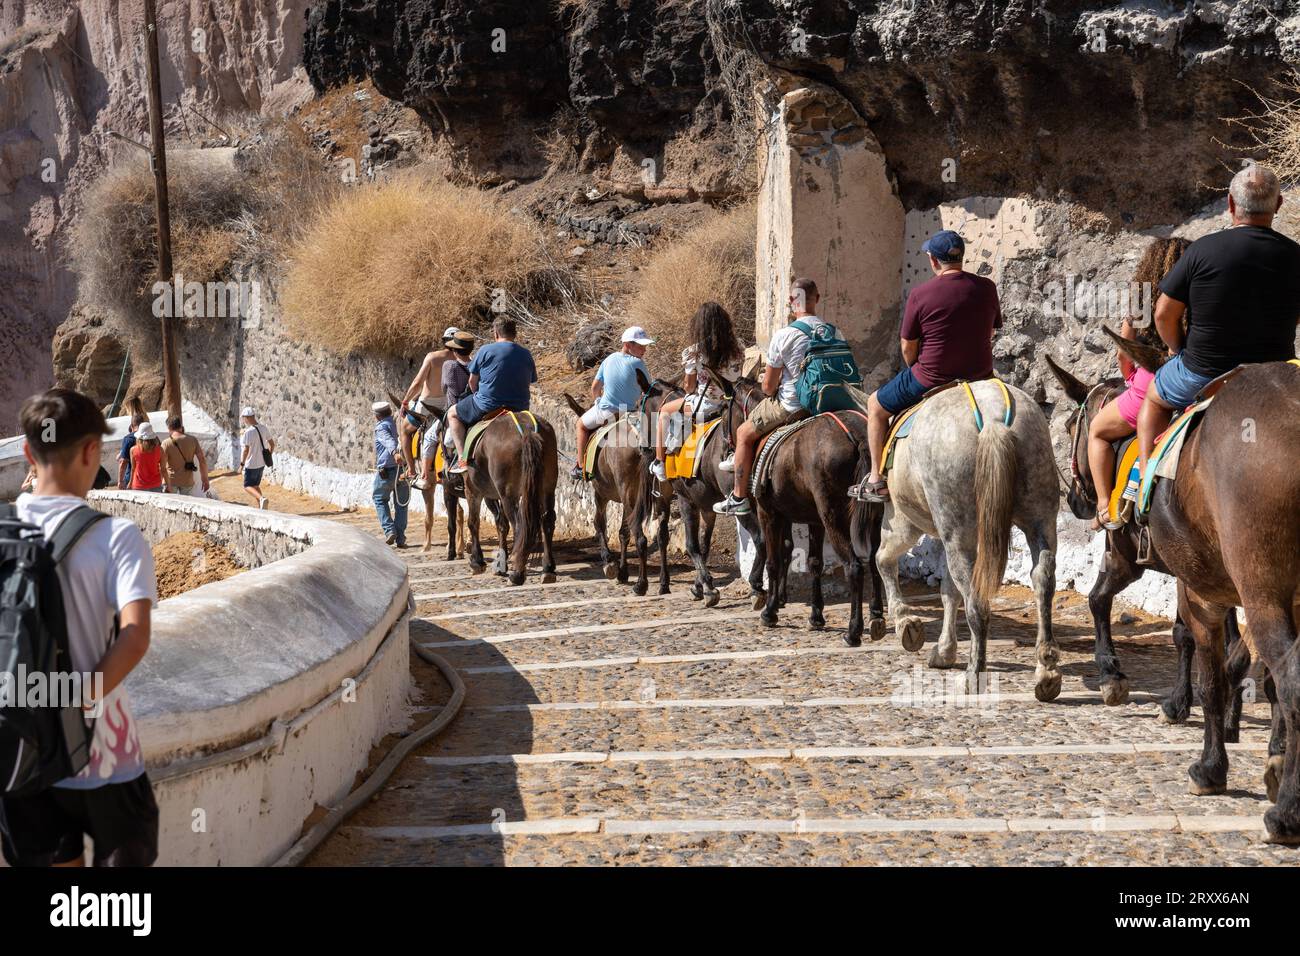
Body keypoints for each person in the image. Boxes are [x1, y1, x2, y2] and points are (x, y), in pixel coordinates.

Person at [2, 388, 158, 867]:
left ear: (28, 452)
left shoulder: (4, 531)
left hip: (22, 748)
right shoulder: (116, 536)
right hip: (103, 753)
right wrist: (78, 699)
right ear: (93, 450)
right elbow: (135, 636)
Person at [1137, 164, 1300, 477]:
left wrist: (1176, 348)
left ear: (1230, 204)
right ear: (1278, 205)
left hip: (1204, 372)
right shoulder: (1296, 256)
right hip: (1275, 374)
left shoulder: (1202, 250)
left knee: (1155, 398)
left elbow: (1162, 314)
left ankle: (1146, 481)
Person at [848, 230, 1003, 502]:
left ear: (933, 261)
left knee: (875, 406)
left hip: (931, 378)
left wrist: (914, 367)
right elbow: (990, 334)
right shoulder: (987, 288)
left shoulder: (921, 294)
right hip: (981, 377)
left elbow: (908, 345)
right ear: (961, 257)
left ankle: (875, 479)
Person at [1084, 237, 1189, 530]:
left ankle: (1104, 507)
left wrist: (1130, 376)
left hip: (1150, 383)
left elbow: (1123, 352)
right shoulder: (1195, 292)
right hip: (1192, 375)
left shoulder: (1142, 300)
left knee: (1098, 432)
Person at [714, 278, 823, 516]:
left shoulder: (785, 335)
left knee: (743, 433)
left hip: (794, 404)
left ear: (791, 302)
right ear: (817, 298)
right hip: (828, 401)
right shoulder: (833, 331)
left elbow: (768, 387)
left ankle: (739, 497)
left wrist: (771, 385)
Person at [650, 302, 744, 482]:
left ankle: (659, 462)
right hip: (733, 404)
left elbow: (689, 388)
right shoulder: (738, 347)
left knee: (664, 412)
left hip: (707, 406)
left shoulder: (694, 352)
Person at [446, 318, 537, 474]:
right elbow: (531, 381)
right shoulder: (526, 354)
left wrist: (477, 395)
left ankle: (462, 459)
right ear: (514, 334)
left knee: (452, 413)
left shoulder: (485, 350)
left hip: (488, 405)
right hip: (520, 408)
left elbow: (472, 381)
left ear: (496, 333)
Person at [571, 326, 655, 481]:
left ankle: (581, 467)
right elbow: (647, 390)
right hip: (632, 413)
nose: (645, 349)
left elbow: (595, 387)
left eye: (645, 346)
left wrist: (597, 401)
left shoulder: (608, 360)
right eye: (641, 345)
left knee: (581, 425)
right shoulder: (639, 364)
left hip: (607, 412)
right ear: (628, 345)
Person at [413, 330, 476, 490]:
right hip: (475, 410)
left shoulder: (449, 365)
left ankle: (426, 476)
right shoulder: (476, 364)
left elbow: (444, 388)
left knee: (429, 438)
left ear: (455, 350)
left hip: (455, 410)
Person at [400, 326, 461, 480]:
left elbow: (417, 383)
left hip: (427, 405)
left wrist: (406, 401)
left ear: (444, 341)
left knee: (404, 430)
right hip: (449, 404)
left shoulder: (433, 357)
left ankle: (411, 470)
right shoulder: (462, 358)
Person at [372, 401, 408, 547]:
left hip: (386, 471)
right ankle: (400, 538)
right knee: (401, 504)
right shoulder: (396, 424)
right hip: (402, 470)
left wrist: (395, 453)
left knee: (379, 499)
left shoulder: (381, 428)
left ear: (377, 416)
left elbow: (388, 441)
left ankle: (389, 530)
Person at [161, 416, 211, 497]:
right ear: (181, 426)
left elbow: (162, 466)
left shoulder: (166, 443)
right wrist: (205, 479)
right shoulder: (193, 440)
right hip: (187, 481)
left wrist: (164, 481)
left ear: (169, 427)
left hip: (171, 481)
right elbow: (202, 460)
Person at [237, 406, 275, 510]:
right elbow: (272, 443)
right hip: (261, 464)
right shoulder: (263, 428)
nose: (243, 420)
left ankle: (262, 499)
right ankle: (261, 507)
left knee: (247, 486)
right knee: (256, 486)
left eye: (244, 417)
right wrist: (268, 456)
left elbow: (246, 450)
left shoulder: (248, 432)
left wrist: (241, 465)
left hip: (251, 464)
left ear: (248, 418)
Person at [128, 423, 164, 493]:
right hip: (155, 484)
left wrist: (130, 482)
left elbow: (133, 468)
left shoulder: (133, 450)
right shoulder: (160, 450)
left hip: (138, 485)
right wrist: (168, 485)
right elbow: (163, 469)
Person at [117, 414, 145, 489]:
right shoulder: (153, 438)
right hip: (152, 479)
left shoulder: (128, 439)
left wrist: (120, 481)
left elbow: (123, 462)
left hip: (133, 479)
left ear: (131, 426)